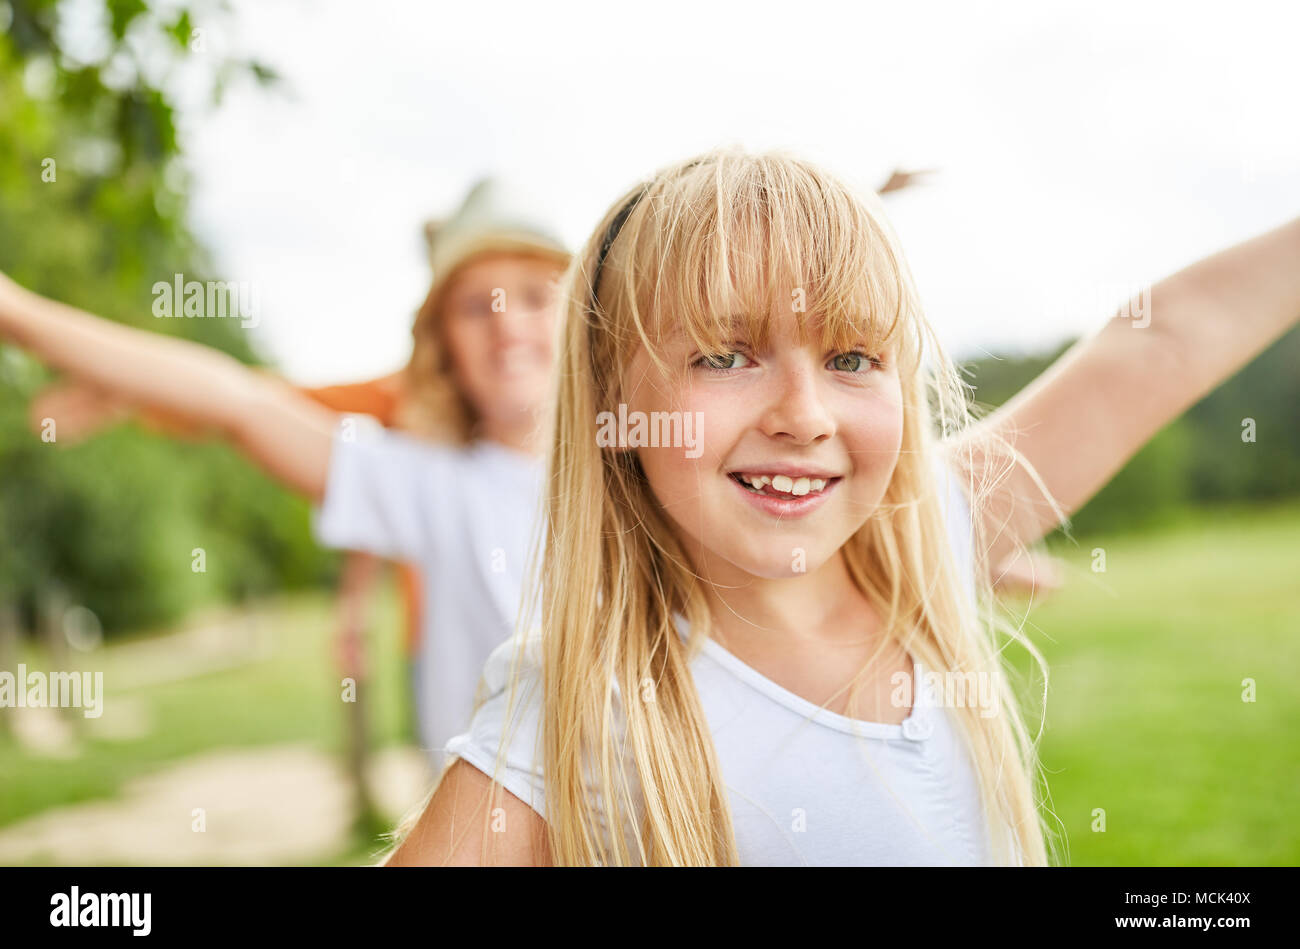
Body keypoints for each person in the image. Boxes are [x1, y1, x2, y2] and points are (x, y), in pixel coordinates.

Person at [383, 149, 1300, 866]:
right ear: (612, 397)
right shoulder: (585, 699)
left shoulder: (926, 541)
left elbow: (1164, 338)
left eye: (853, 359)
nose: (804, 416)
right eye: (725, 356)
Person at [0, 178, 570, 762]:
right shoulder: (428, 480)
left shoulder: (619, 465)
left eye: (536, 295)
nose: (506, 324)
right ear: (441, 343)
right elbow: (244, 403)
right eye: (475, 306)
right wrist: (20, 315)